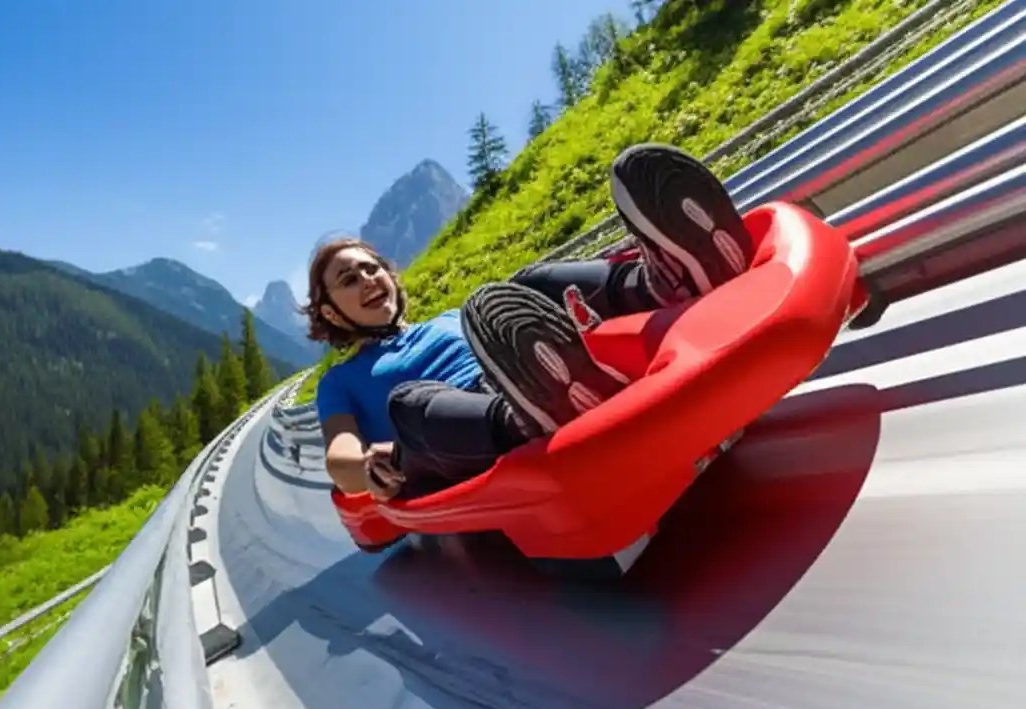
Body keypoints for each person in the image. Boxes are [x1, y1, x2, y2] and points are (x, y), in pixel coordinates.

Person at [306, 143, 755, 502]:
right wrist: (366, 466)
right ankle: (528, 417)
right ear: (329, 312)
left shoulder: (452, 318)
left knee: (523, 285)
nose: (367, 280)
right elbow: (339, 459)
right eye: (349, 279)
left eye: (372, 268)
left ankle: (663, 287)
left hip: (522, 369)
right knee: (407, 404)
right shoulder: (342, 381)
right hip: (459, 435)